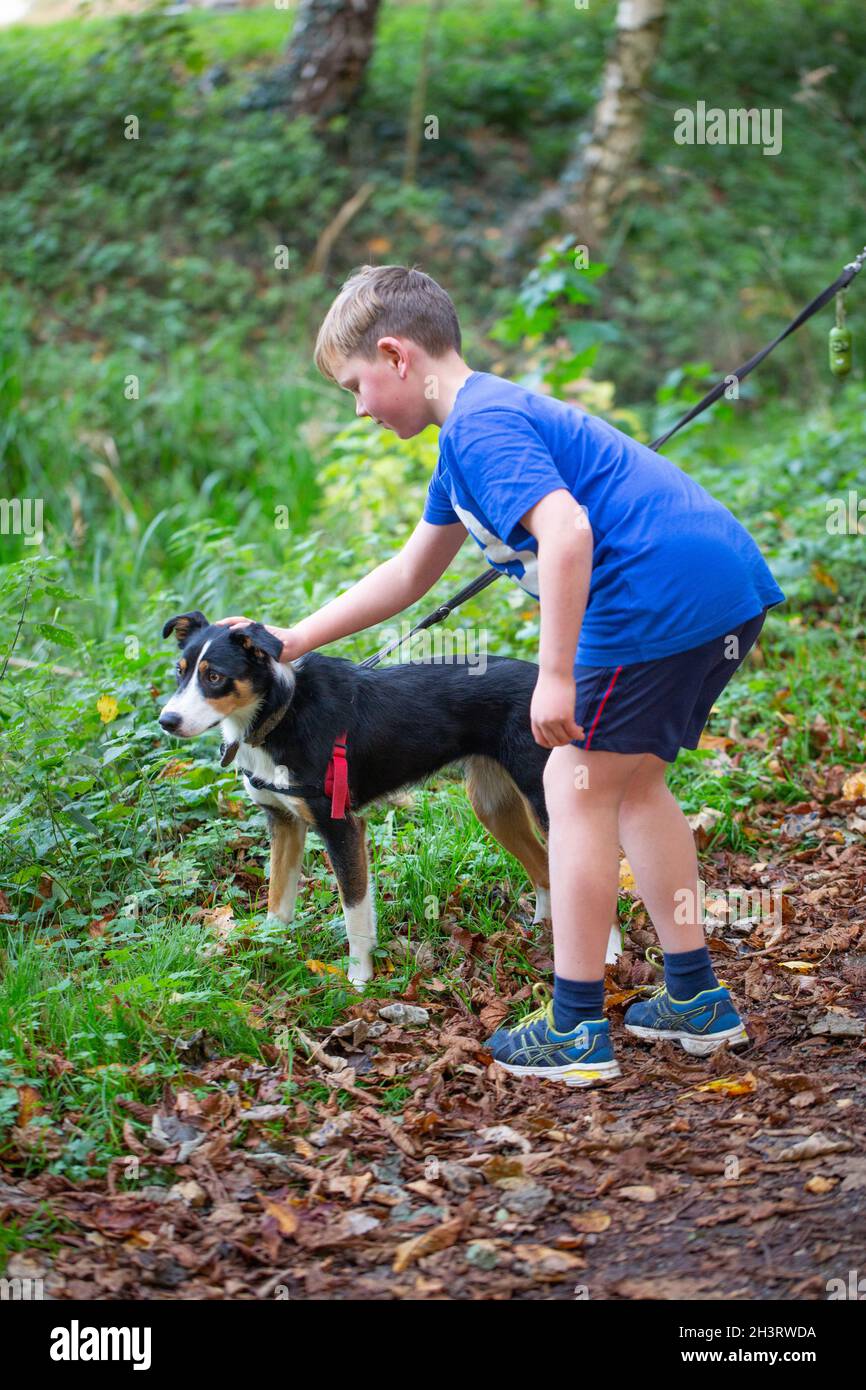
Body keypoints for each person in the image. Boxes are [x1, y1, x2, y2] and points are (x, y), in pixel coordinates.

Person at [217, 263, 785, 1088]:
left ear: (396, 355)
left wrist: (554, 677)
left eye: (355, 385)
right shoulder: (472, 437)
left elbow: (567, 532)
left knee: (576, 782)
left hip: (660, 601)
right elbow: (411, 572)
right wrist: (291, 639)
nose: (360, 408)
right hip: (717, 590)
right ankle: (696, 999)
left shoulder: (482, 427)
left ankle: (576, 1026)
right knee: (632, 787)